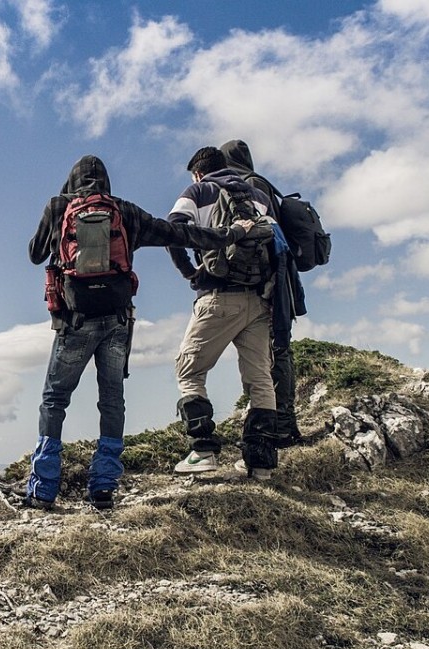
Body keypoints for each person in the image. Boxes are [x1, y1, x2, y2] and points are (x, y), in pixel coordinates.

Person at [25, 154, 254, 510]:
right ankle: (103, 488)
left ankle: (43, 489)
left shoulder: (59, 207)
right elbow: (179, 233)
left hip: (75, 321)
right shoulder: (124, 211)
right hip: (117, 321)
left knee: (55, 399)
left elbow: (35, 254)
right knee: (112, 400)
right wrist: (233, 234)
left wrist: (60, 219)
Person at [166, 146, 283, 479]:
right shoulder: (258, 196)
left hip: (218, 297)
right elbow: (277, 243)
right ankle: (260, 464)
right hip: (259, 300)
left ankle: (203, 451)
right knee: (260, 379)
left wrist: (191, 273)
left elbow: (173, 230)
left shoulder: (198, 191)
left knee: (189, 370)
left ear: (198, 173)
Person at [220, 139, 308, 448]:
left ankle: (281, 426)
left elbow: (262, 237)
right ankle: (280, 423)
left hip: (271, 283)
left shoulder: (249, 186)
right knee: (274, 349)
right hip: (280, 279)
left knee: (274, 350)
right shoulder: (262, 183)